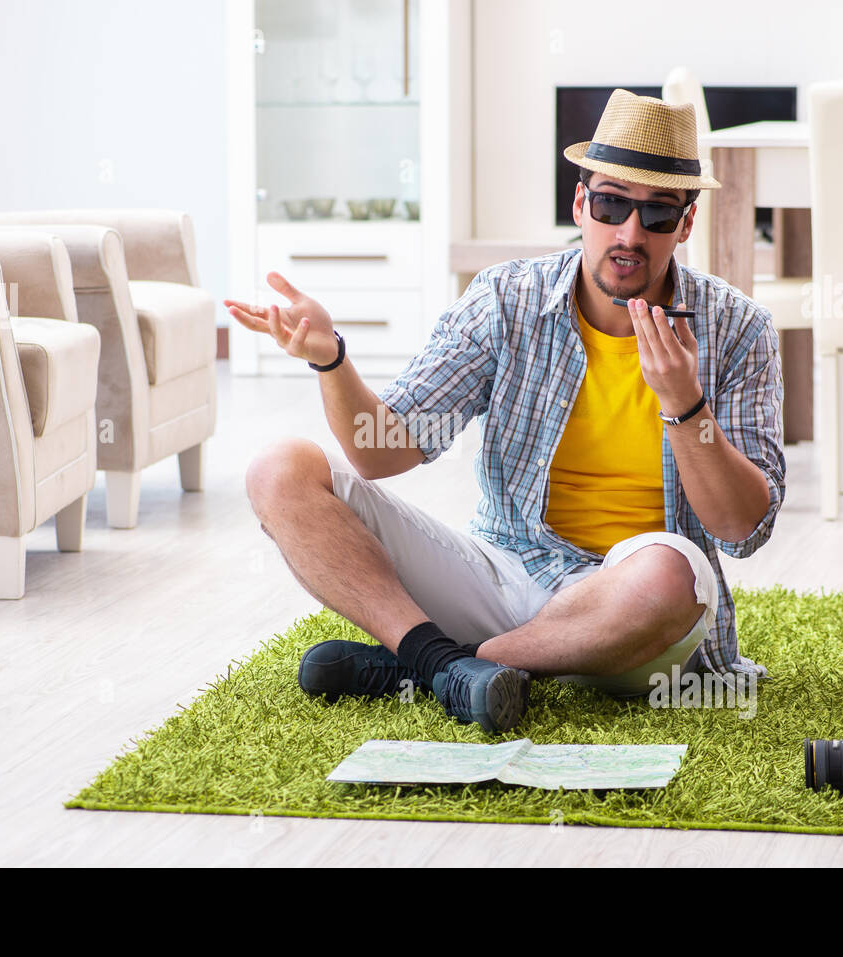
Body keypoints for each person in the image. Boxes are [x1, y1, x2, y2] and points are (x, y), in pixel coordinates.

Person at [226, 89, 785, 735]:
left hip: (635, 618)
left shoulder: (739, 328)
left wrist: (685, 405)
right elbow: (381, 451)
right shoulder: (506, 299)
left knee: (669, 570)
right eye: (610, 204)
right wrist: (331, 360)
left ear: (686, 224)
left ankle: (429, 664)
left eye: (657, 215)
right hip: (505, 575)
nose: (629, 233)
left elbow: (742, 529)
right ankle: (460, 665)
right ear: (580, 205)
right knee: (280, 468)